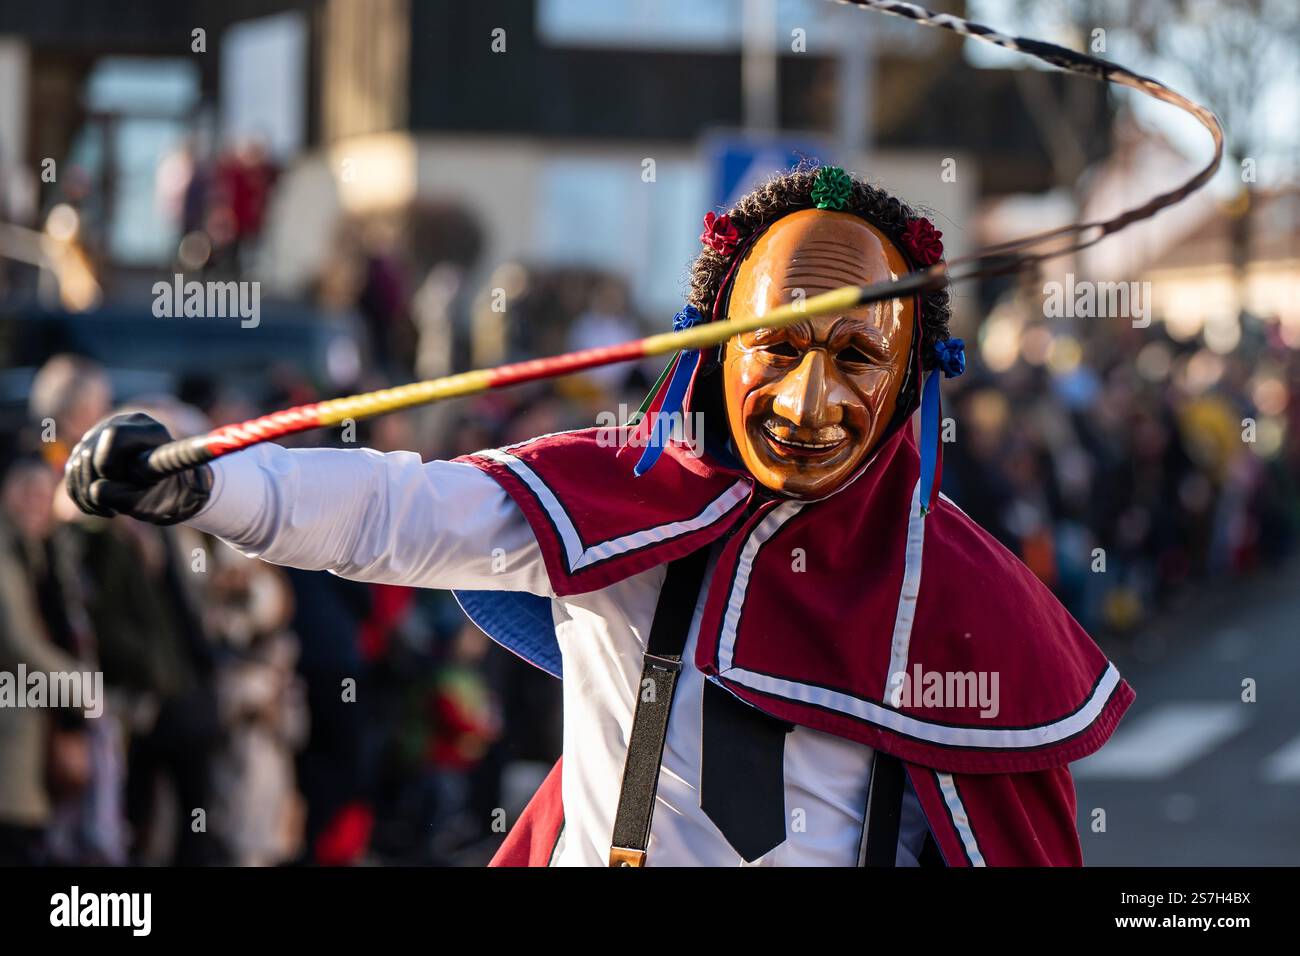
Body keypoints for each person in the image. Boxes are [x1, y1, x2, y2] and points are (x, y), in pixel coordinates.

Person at [65, 166, 1133, 867]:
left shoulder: (961, 604)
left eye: (856, 357)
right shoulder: (618, 499)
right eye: (782, 348)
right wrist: (208, 482)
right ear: (718, 346)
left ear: (908, 382)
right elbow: (400, 509)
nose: (811, 406)